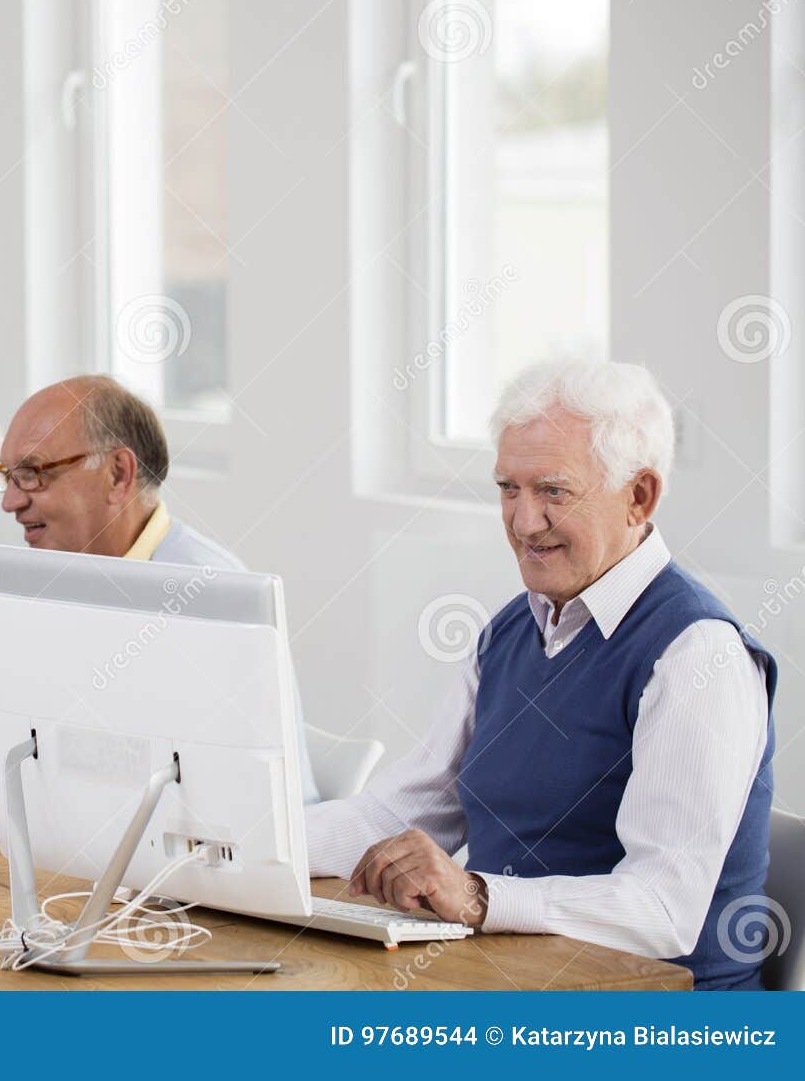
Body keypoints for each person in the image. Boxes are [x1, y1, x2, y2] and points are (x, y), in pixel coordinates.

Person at [307, 358, 776, 990]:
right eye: (509, 489)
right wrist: (224, 844)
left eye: (554, 491)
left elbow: (663, 910)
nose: (525, 522)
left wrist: (477, 895)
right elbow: (400, 815)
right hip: (509, 989)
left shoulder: (697, 654)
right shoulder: (510, 631)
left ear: (639, 496)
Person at [0, 374, 319, 803]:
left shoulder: (209, 593)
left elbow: (223, 794)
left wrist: (24, 780)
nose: (10, 502)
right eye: (8, 477)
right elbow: (35, 727)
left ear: (117, 474)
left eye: (32, 473)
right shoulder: (55, 576)